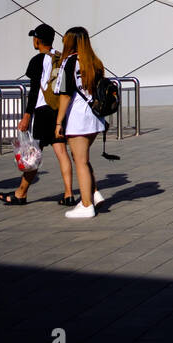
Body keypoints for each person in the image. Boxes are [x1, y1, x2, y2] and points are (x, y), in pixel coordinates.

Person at [0, 24, 75, 206]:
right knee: (61, 151)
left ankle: (21, 193)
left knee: (33, 153)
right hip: (59, 110)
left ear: (38, 40)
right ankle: (69, 194)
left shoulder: (37, 61)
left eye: (34, 37)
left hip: (42, 110)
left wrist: (27, 116)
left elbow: (33, 91)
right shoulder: (61, 58)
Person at [54, 27, 108, 219]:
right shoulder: (94, 62)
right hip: (94, 117)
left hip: (78, 118)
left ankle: (86, 205)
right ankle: (93, 194)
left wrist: (59, 122)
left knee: (81, 162)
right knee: (82, 159)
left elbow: (65, 95)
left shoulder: (69, 62)